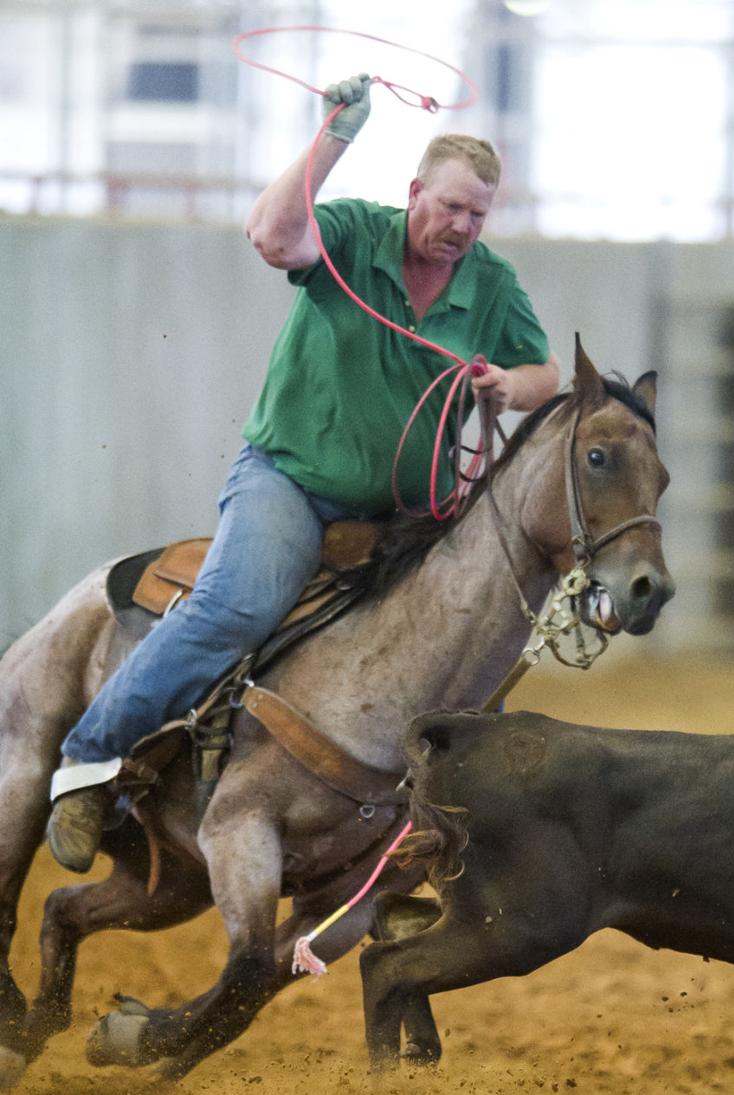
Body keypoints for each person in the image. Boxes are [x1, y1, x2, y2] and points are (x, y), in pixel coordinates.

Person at [46, 73, 560, 873]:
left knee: (460, 644)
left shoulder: (490, 282)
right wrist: (334, 136)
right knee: (237, 605)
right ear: (415, 191)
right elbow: (273, 235)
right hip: (290, 481)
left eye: (477, 214)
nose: (462, 226)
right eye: (451, 206)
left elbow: (545, 374)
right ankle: (88, 765)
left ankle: (412, 845)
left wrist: (508, 386)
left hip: (409, 513)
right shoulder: (352, 233)